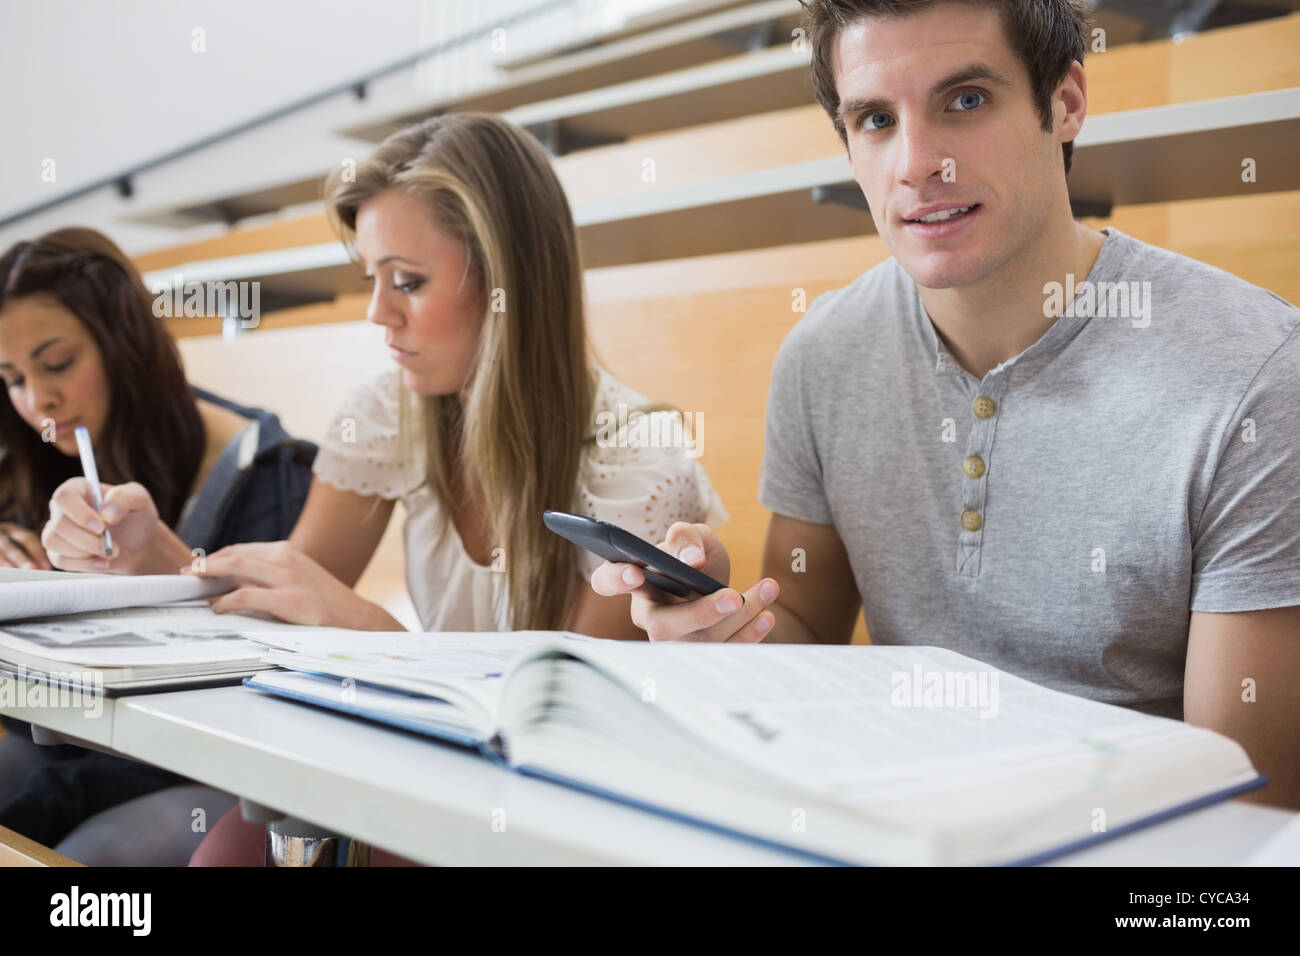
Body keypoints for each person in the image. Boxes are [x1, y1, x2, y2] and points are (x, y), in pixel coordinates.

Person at [589, 0, 1300, 808]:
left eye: (965, 100)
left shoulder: (1260, 374)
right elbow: (810, 639)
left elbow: (1250, 802)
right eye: (875, 119)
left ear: (1064, 104)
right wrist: (719, 620)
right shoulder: (822, 357)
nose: (918, 163)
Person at [187, 111, 728, 864]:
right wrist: (158, 557)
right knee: (229, 853)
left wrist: (379, 642)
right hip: (420, 756)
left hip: (535, 810)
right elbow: (289, 593)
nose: (379, 314)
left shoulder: (635, 457)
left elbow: (548, 728)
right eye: (372, 281)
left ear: (508, 283)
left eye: (407, 281)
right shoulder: (388, 411)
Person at [0, 227, 318, 863]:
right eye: (11, 377)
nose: (39, 400)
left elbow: (255, 697)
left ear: (125, 345)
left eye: (57, 363)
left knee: (89, 856)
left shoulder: (271, 472)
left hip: (205, 767)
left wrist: (46, 802)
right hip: (74, 734)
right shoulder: (35, 455)